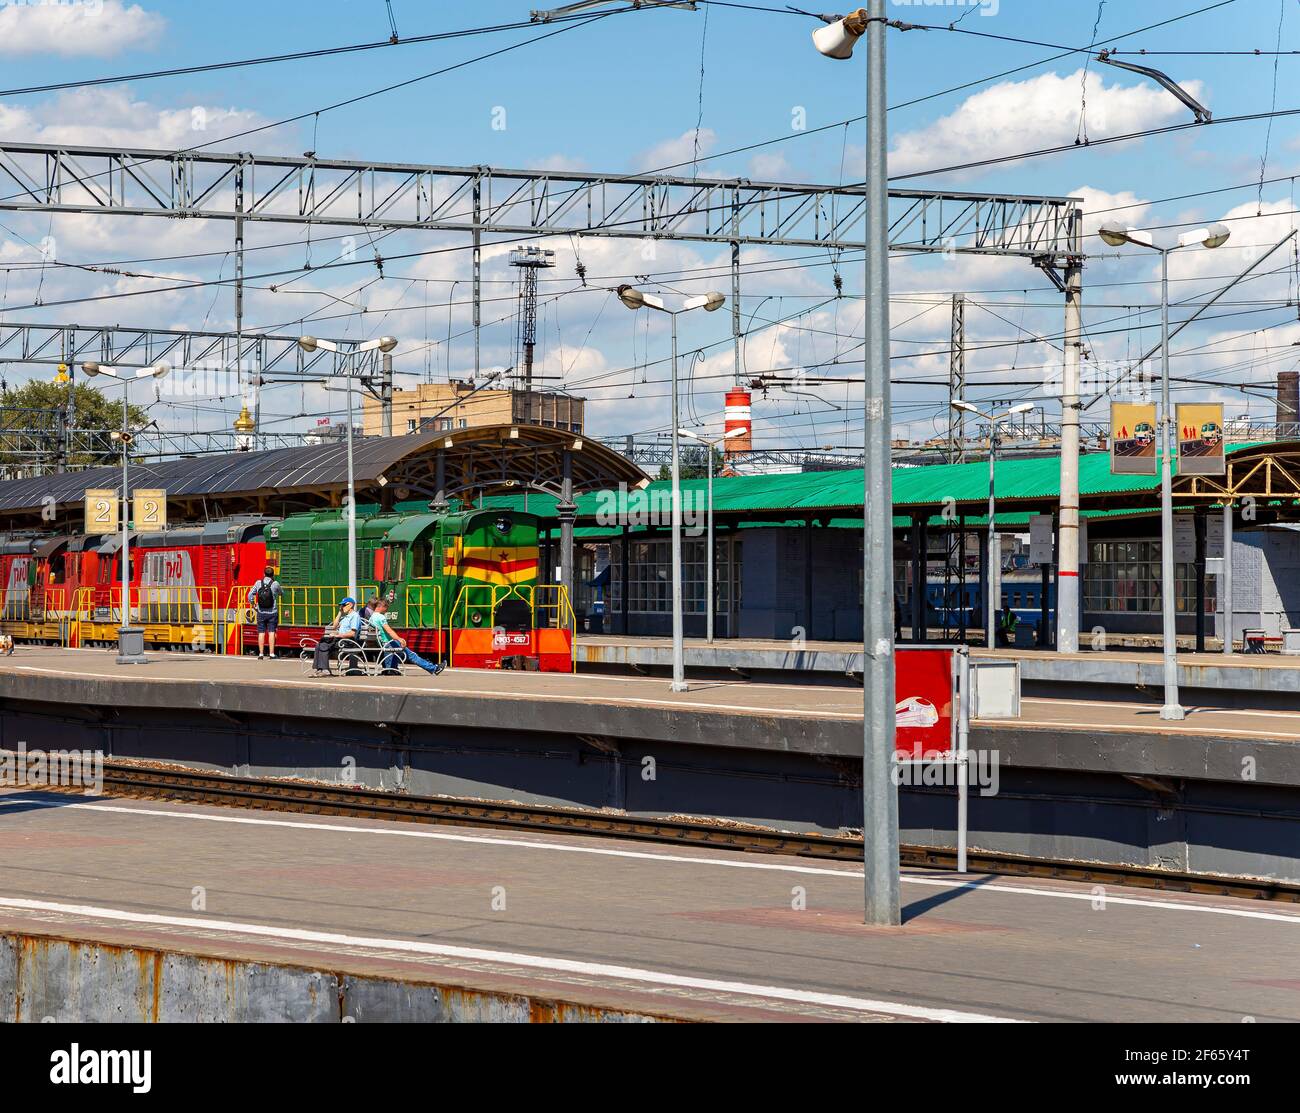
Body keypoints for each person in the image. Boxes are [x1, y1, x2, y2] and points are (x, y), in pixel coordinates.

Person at [367, 598, 445, 676]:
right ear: (381, 606)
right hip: (388, 643)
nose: (387, 610)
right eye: (386, 607)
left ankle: (392, 669)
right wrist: (399, 638)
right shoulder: (381, 617)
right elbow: (389, 631)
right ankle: (434, 669)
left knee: (400, 651)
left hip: (382, 643)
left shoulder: (371, 617)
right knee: (411, 655)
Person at [310, 597, 360, 675]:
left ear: (350, 605)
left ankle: (325, 670)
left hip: (349, 641)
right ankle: (320, 669)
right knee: (319, 645)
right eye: (340, 606)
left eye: (343, 605)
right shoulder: (345, 617)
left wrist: (338, 635)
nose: (341, 607)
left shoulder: (354, 616)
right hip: (341, 640)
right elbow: (334, 626)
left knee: (324, 646)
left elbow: (352, 633)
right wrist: (339, 613)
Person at [247, 566, 283, 659]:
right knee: (271, 632)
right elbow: (281, 593)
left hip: (261, 612)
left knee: (261, 632)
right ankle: (271, 654)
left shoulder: (258, 583)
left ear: (264, 574)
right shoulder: (275, 583)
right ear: (273, 575)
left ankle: (261, 654)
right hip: (272, 612)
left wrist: (253, 604)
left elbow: (250, 595)